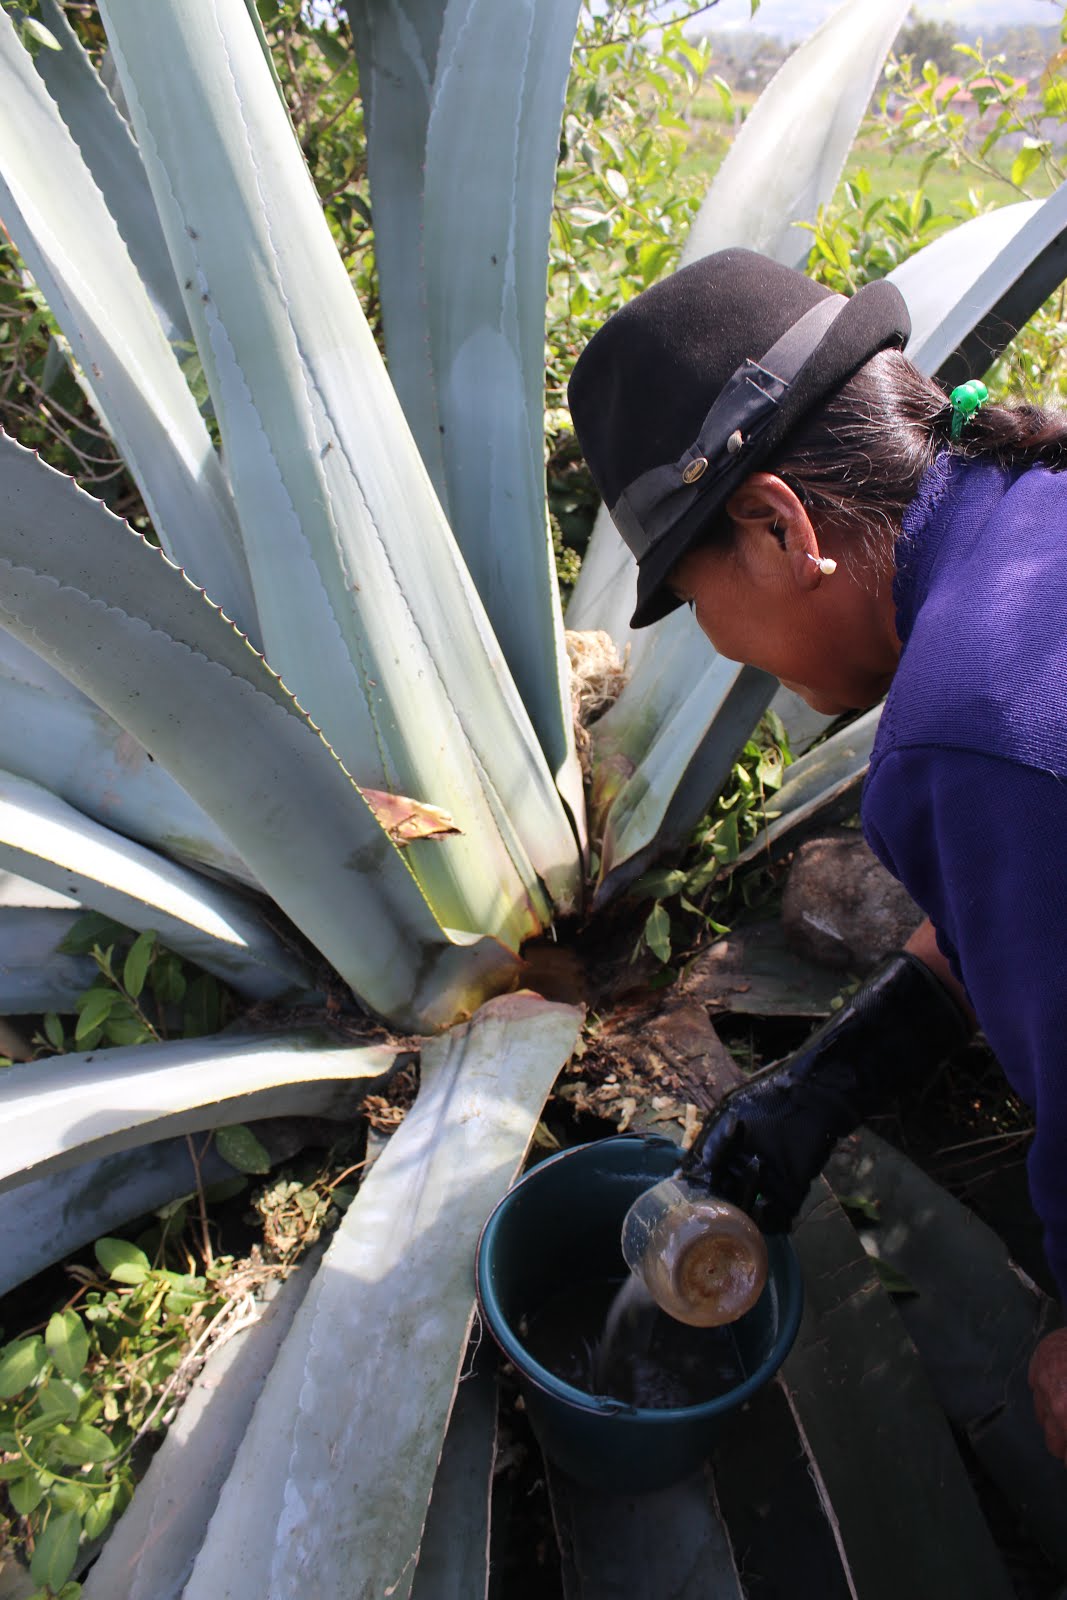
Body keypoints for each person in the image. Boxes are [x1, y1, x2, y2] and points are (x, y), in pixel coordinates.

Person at [567, 247, 1067, 1462]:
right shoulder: (1028, 511)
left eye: (693, 604)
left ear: (781, 527)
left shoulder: (965, 733)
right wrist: (830, 1077)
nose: (728, 653)